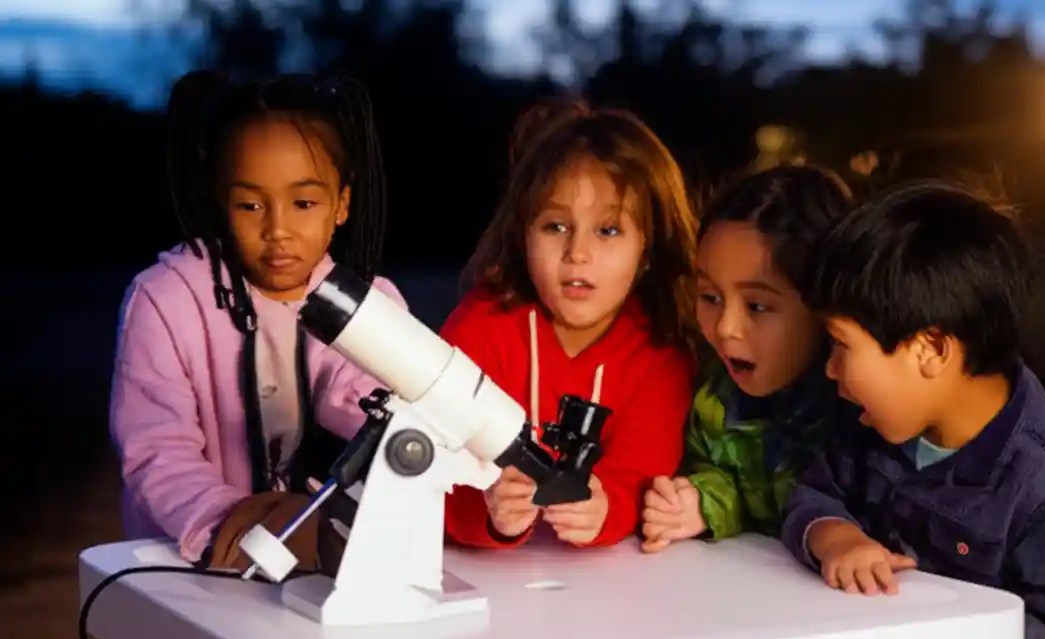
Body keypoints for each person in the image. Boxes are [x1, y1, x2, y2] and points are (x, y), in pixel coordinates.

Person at [781, 180, 1045, 639]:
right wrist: (835, 537)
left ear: (930, 349)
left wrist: (939, 636)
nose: (830, 369)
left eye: (842, 345)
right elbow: (818, 491)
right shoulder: (877, 425)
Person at [110, 70, 406, 579]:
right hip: (186, 569)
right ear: (220, 201)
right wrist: (232, 528)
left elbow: (372, 411)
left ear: (342, 204)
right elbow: (158, 450)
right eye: (250, 205)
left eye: (304, 203)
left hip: (325, 570)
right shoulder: (163, 300)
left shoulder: (371, 302)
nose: (277, 230)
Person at [440, 98, 698, 548]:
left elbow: (642, 477)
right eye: (556, 227)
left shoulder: (660, 354)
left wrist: (607, 509)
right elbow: (432, 472)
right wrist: (486, 509)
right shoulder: (479, 331)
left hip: (605, 597)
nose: (578, 252)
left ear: (648, 251)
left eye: (609, 230)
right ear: (521, 236)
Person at [639, 164, 854, 552]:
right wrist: (700, 503)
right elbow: (727, 479)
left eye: (756, 305)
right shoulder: (713, 397)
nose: (725, 327)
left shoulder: (861, 411)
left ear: (824, 305)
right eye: (710, 297)